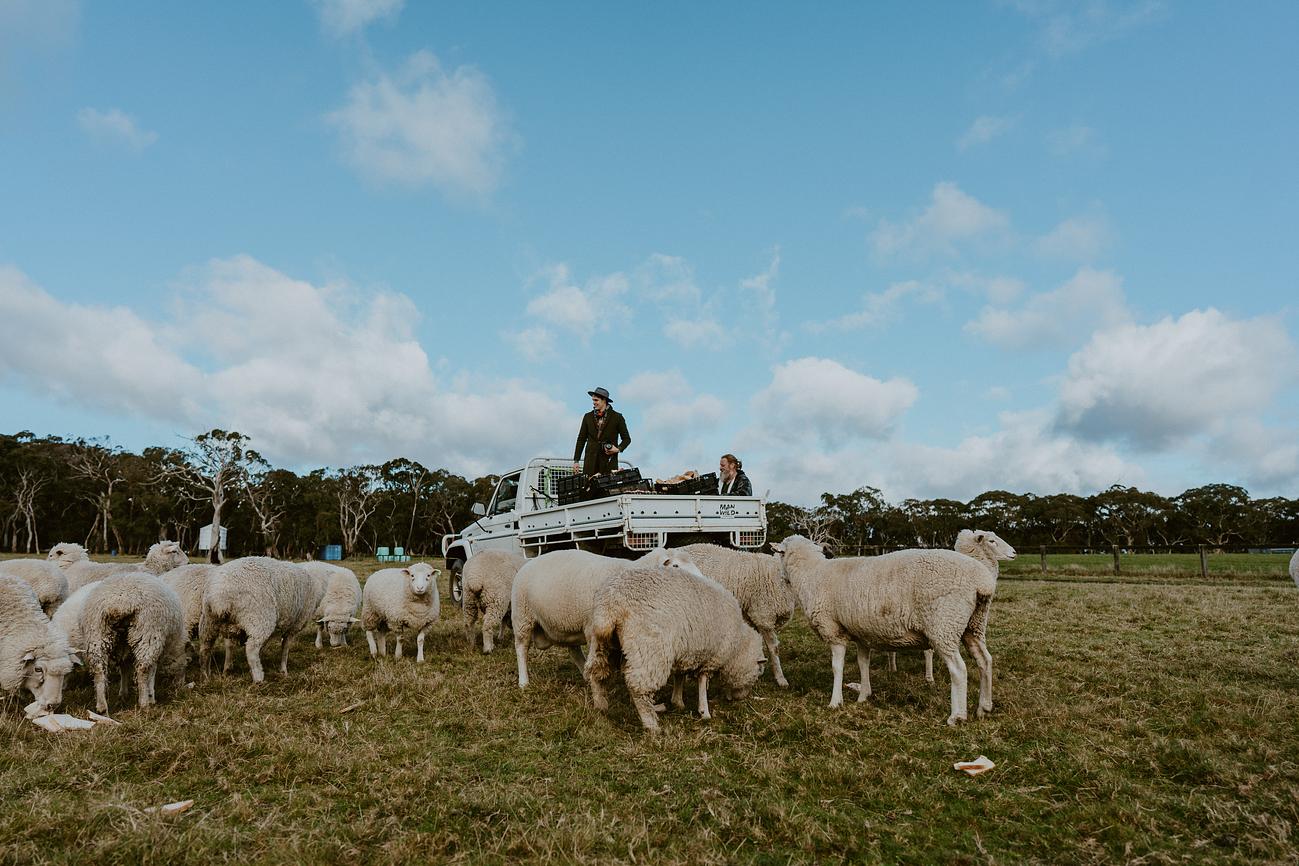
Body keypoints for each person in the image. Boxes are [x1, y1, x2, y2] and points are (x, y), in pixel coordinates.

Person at [573, 387, 631, 476]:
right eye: (593, 400)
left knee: (608, 489)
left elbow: (627, 439)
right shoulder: (587, 417)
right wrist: (576, 460)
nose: (594, 403)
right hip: (590, 464)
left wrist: (618, 449)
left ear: (604, 400)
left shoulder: (617, 417)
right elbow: (581, 439)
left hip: (608, 464)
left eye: (596, 400)